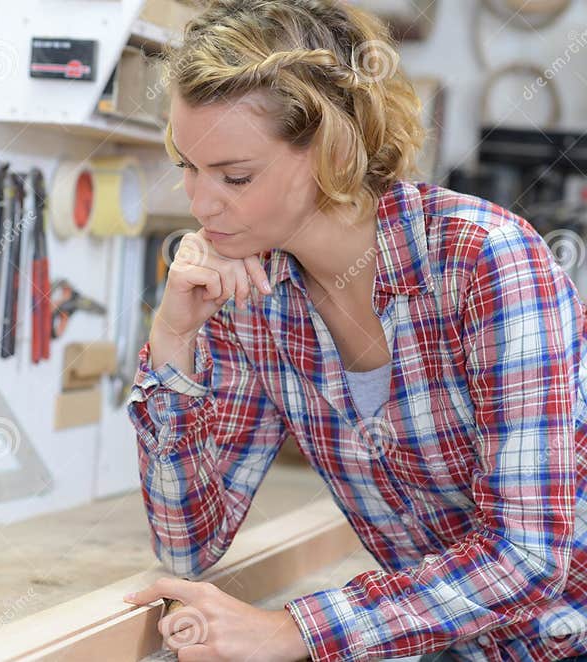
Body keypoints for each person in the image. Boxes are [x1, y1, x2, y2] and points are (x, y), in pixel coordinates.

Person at [121, 1, 587, 660]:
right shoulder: (254, 296)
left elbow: (528, 556)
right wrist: (173, 342)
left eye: (234, 176)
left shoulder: (484, 257)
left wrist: (294, 631)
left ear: (332, 152)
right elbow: (186, 542)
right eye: (187, 167)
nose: (200, 205)